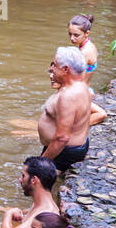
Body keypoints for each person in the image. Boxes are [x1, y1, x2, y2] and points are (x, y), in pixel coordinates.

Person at [38, 46, 103, 174]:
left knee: (37, 182)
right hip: (68, 147)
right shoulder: (82, 86)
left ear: (65, 69)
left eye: (55, 66)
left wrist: (41, 162)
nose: (52, 69)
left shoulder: (68, 96)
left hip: (64, 150)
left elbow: (62, 138)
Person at [0, 156, 60, 228]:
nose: (20, 179)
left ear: (34, 180)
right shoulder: (40, 204)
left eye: (23, 176)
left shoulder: (44, 213)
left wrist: (8, 213)